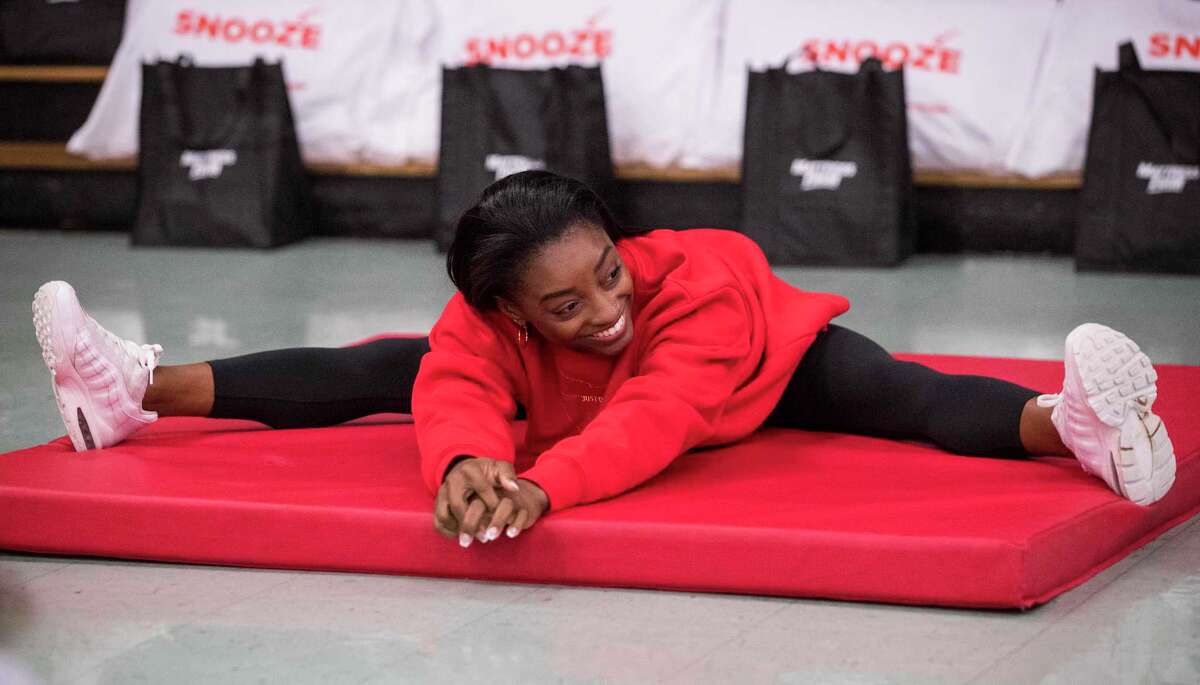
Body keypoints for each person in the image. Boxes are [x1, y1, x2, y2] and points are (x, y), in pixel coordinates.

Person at [31, 171, 1176, 549]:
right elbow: (454, 384)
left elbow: (660, 415)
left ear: (622, 244)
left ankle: (1073, 423)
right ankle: (131, 391)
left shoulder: (700, 287)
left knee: (892, 389)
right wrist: (463, 462)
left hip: (755, 377)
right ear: (509, 309)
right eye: (566, 305)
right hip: (563, 396)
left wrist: (538, 486)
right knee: (388, 367)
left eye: (609, 274)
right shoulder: (488, 317)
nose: (607, 308)